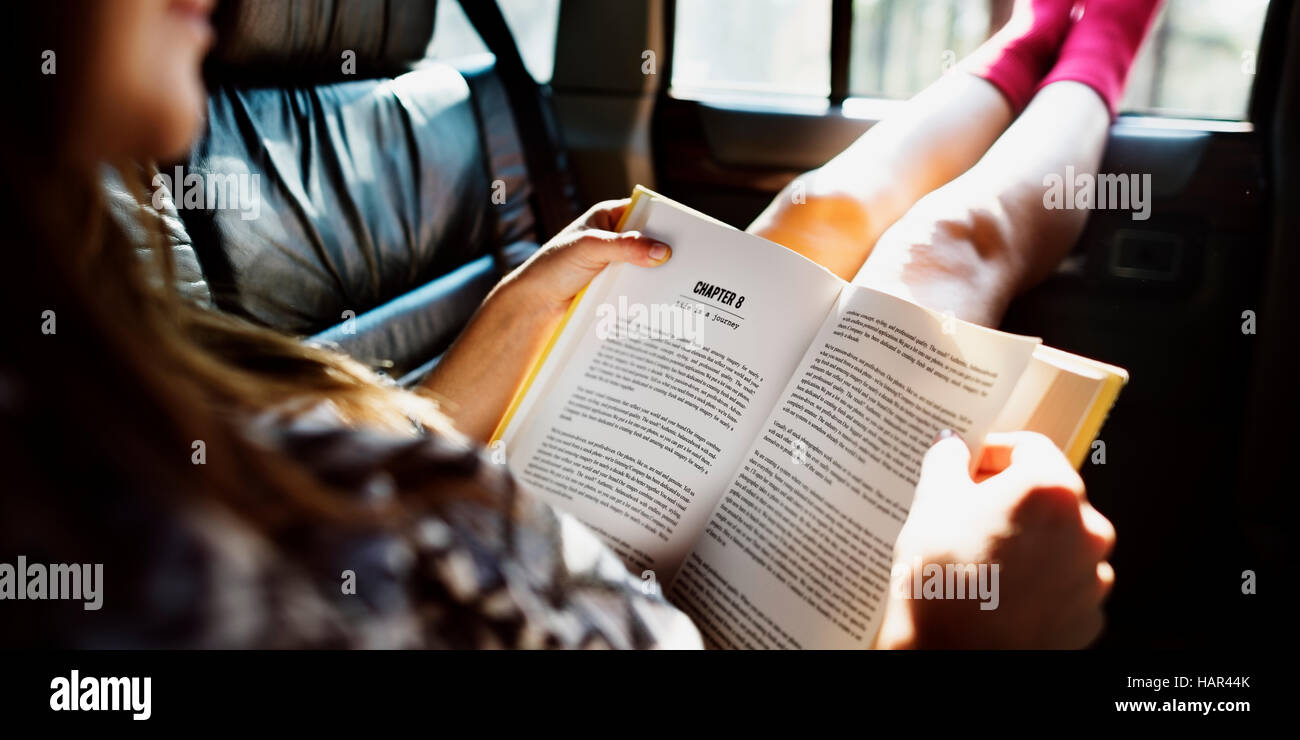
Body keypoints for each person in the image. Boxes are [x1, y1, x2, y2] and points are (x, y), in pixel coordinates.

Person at [0, 0, 1155, 648]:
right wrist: (946, 641)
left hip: (589, 525)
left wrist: (486, 349)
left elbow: (311, 492)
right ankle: (1094, 43)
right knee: (937, 258)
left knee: (819, 212)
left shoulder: (100, 380)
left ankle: (1036, 40)